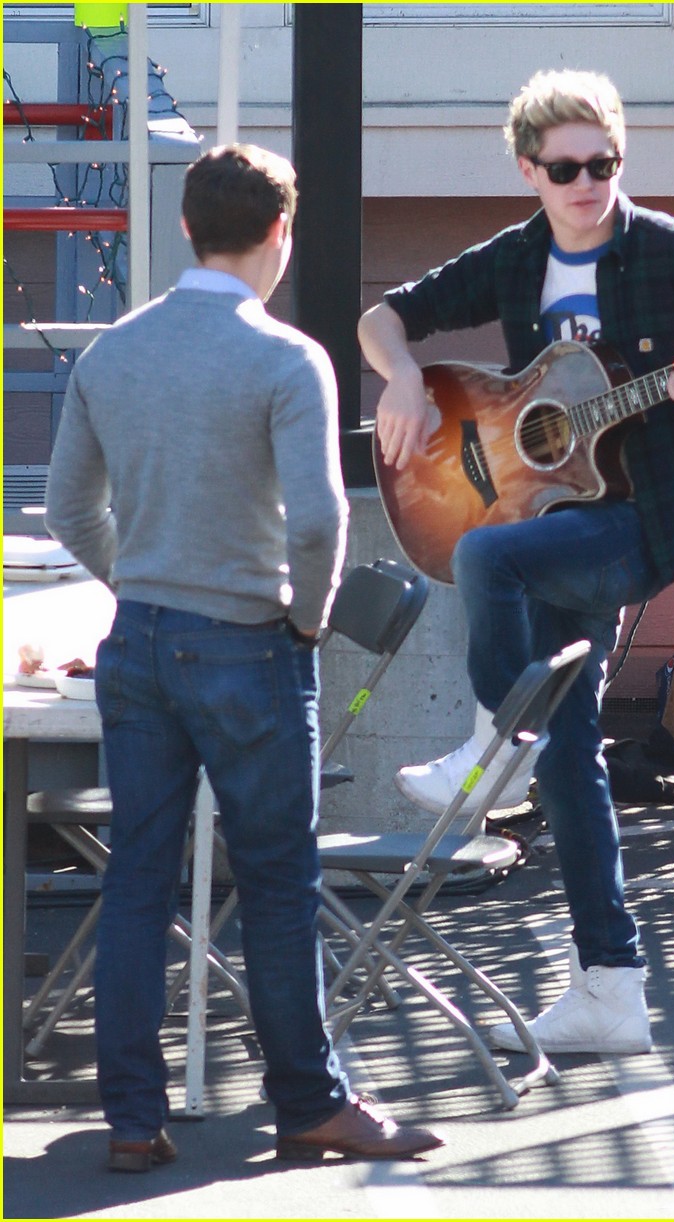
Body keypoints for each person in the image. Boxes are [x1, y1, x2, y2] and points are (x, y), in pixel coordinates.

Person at [358, 70, 674, 1057]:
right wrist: (406, 377)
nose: (587, 183)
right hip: (552, 511)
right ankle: (610, 989)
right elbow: (386, 317)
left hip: (640, 523)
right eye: (566, 169)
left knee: (485, 556)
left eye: (604, 164)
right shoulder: (515, 260)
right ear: (529, 169)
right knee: (574, 761)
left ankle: (496, 747)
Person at [45, 144, 444, 1169]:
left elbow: (64, 508)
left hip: (138, 638)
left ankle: (134, 1119)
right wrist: (305, 621)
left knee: (137, 877)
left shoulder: (111, 353)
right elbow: (317, 523)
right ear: (280, 233)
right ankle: (309, 1101)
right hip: (250, 644)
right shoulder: (284, 358)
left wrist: (133, 577)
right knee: (275, 880)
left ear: (184, 227)